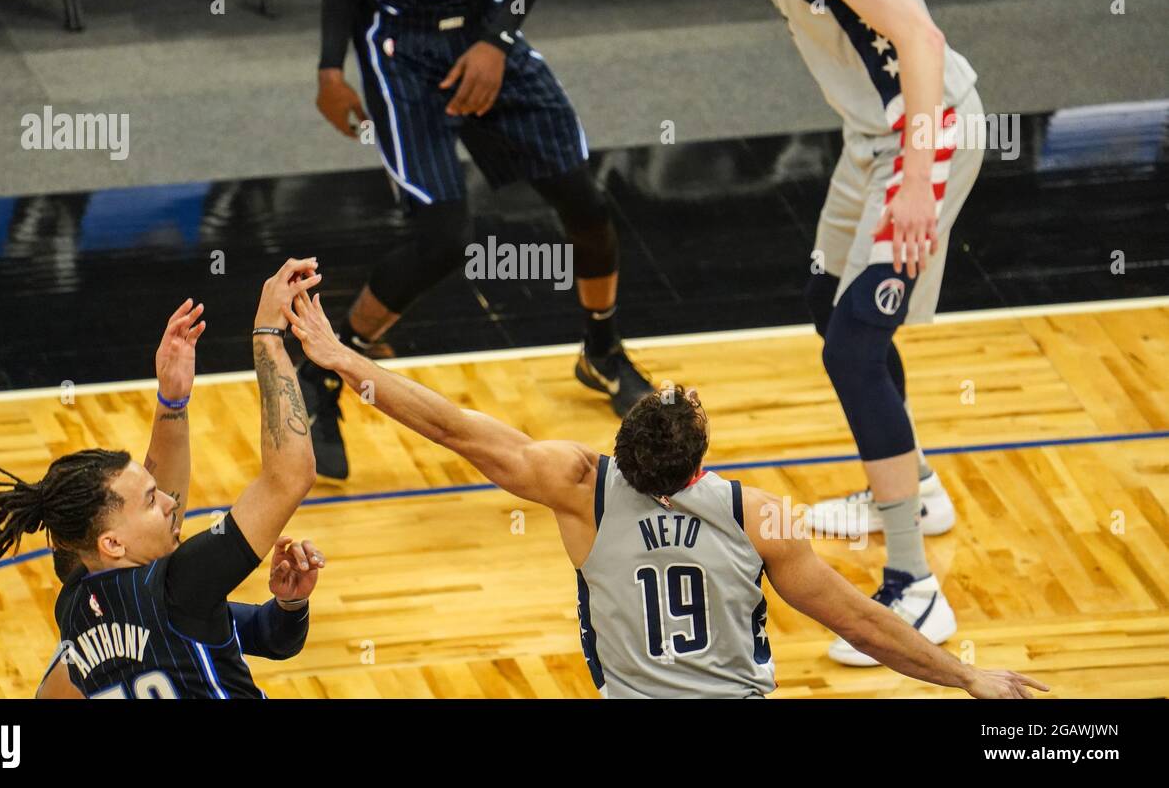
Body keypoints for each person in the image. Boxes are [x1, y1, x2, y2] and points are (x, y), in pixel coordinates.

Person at [573, 0, 985, 664]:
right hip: (872, 139)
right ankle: (914, 489)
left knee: (856, 346)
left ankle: (915, 587)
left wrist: (915, 180)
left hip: (923, 137)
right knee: (826, 304)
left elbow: (924, 42)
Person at [281, 284, 1045, 698]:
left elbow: (451, 427)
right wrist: (967, 674)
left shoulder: (583, 488)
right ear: (699, 464)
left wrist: (342, 357)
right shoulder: (760, 515)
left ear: (620, 450)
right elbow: (864, 624)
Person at [308, 0, 652, 479]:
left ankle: (601, 348)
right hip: (400, 51)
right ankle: (323, 367)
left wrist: (497, 41)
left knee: (585, 201)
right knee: (442, 235)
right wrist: (331, 68)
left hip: (485, 32)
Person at [0, 259, 324, 698]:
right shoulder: (182, 588)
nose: (171, 503)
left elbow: (270, 636)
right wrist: (268, 337)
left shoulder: (75, 607)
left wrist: (173, 401)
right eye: (151, 502)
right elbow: (290, 475)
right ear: (111, 543)